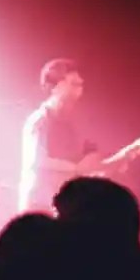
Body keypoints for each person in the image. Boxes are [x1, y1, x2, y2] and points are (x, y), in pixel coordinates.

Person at [18, 59, 90, 213]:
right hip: (39, 207)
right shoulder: (39, 120)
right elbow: (37, 161)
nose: (80, 83)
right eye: (73, 82)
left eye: (80, 83)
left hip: (62, 205)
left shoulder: (72, 123)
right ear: (54, 87)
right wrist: (77, 169)